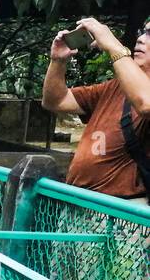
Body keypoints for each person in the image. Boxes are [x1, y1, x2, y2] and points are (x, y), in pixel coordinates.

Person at [42, 17, 150, 203]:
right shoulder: (114, 87)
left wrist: (112, 44)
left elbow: (146, 103)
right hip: (80, 203)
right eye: (143, 32)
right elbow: (55, 101)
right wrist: (57, 62)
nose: (140, 39)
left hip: (122, 211)